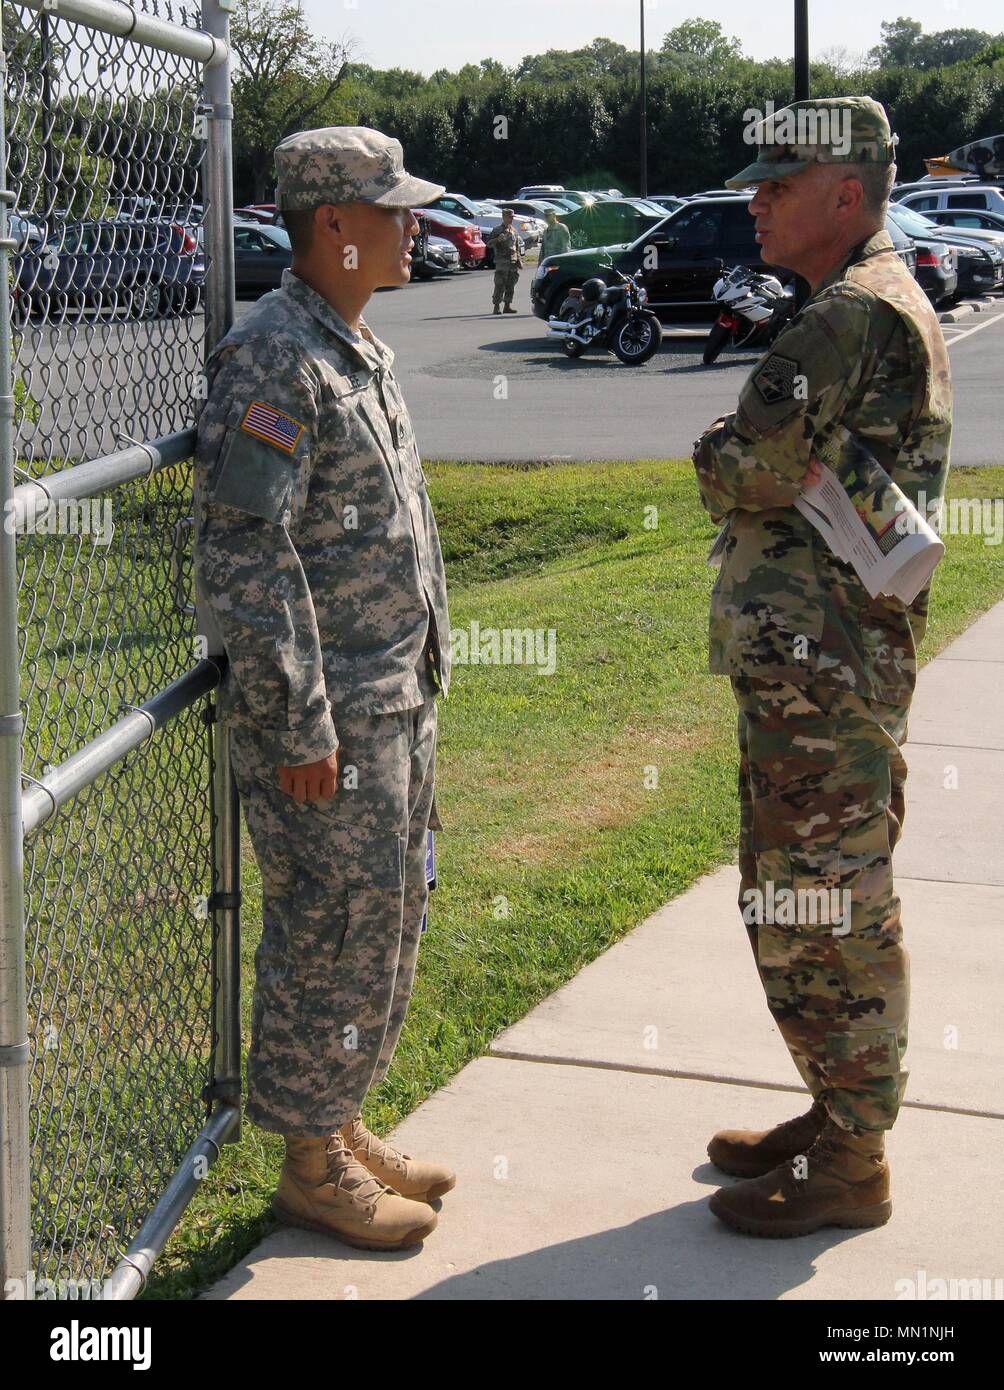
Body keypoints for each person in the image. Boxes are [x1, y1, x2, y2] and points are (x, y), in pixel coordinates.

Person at [192, 127, 455, 1252]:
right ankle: (309, 1165)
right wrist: (299, 716)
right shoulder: (274, 358)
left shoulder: (352, 344)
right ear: (331, 225)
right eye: (389, 207)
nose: (411, 223)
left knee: (384, 918)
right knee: (329, 928)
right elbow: (244, 550)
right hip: (329, 718)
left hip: (391, 696)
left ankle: (338, 1120)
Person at [692, 97, 951, 1237]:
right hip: (825, 662)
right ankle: (840, 1112)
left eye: (776, 184)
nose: (754, 200)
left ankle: (853, 1159)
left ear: (844, 196)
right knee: (807, 892)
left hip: (821, 669)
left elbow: (742, 460)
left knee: (827, 902)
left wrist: (714, 449)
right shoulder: (862, 305)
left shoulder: (844, 318)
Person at [485, 206, 523, 313]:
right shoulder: (497, 230)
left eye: (512, 217)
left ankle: (507, 305)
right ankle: (496, 306)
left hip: (512, 262)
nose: (511, 219)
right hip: (502, 262)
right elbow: (489, 244)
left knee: (511, 284)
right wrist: (497, 239)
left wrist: (519, 260)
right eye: (509, 217)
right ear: (504, 217)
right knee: (499, 284)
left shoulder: (514, 231)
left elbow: (516, 247)